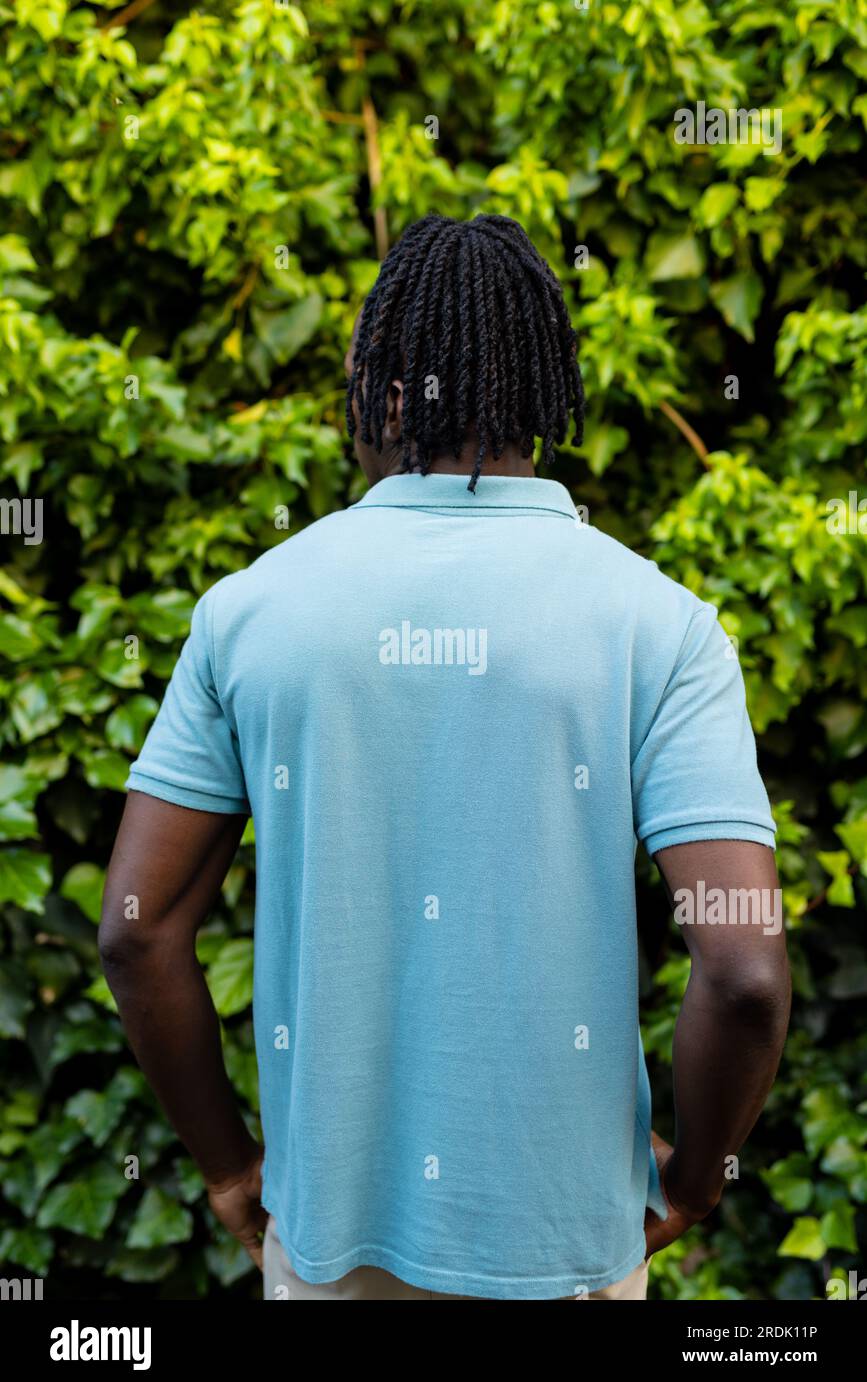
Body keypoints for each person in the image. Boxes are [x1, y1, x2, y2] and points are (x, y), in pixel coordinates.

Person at [99, 213, 791, 1301]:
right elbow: (747, 973)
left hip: (334, 1250)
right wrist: (695, 1181)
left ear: (370, 381)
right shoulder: (660, 627)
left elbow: (136, 939)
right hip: (568, 1255)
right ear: (544, 388)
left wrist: (233, 1173)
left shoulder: (251, 614)